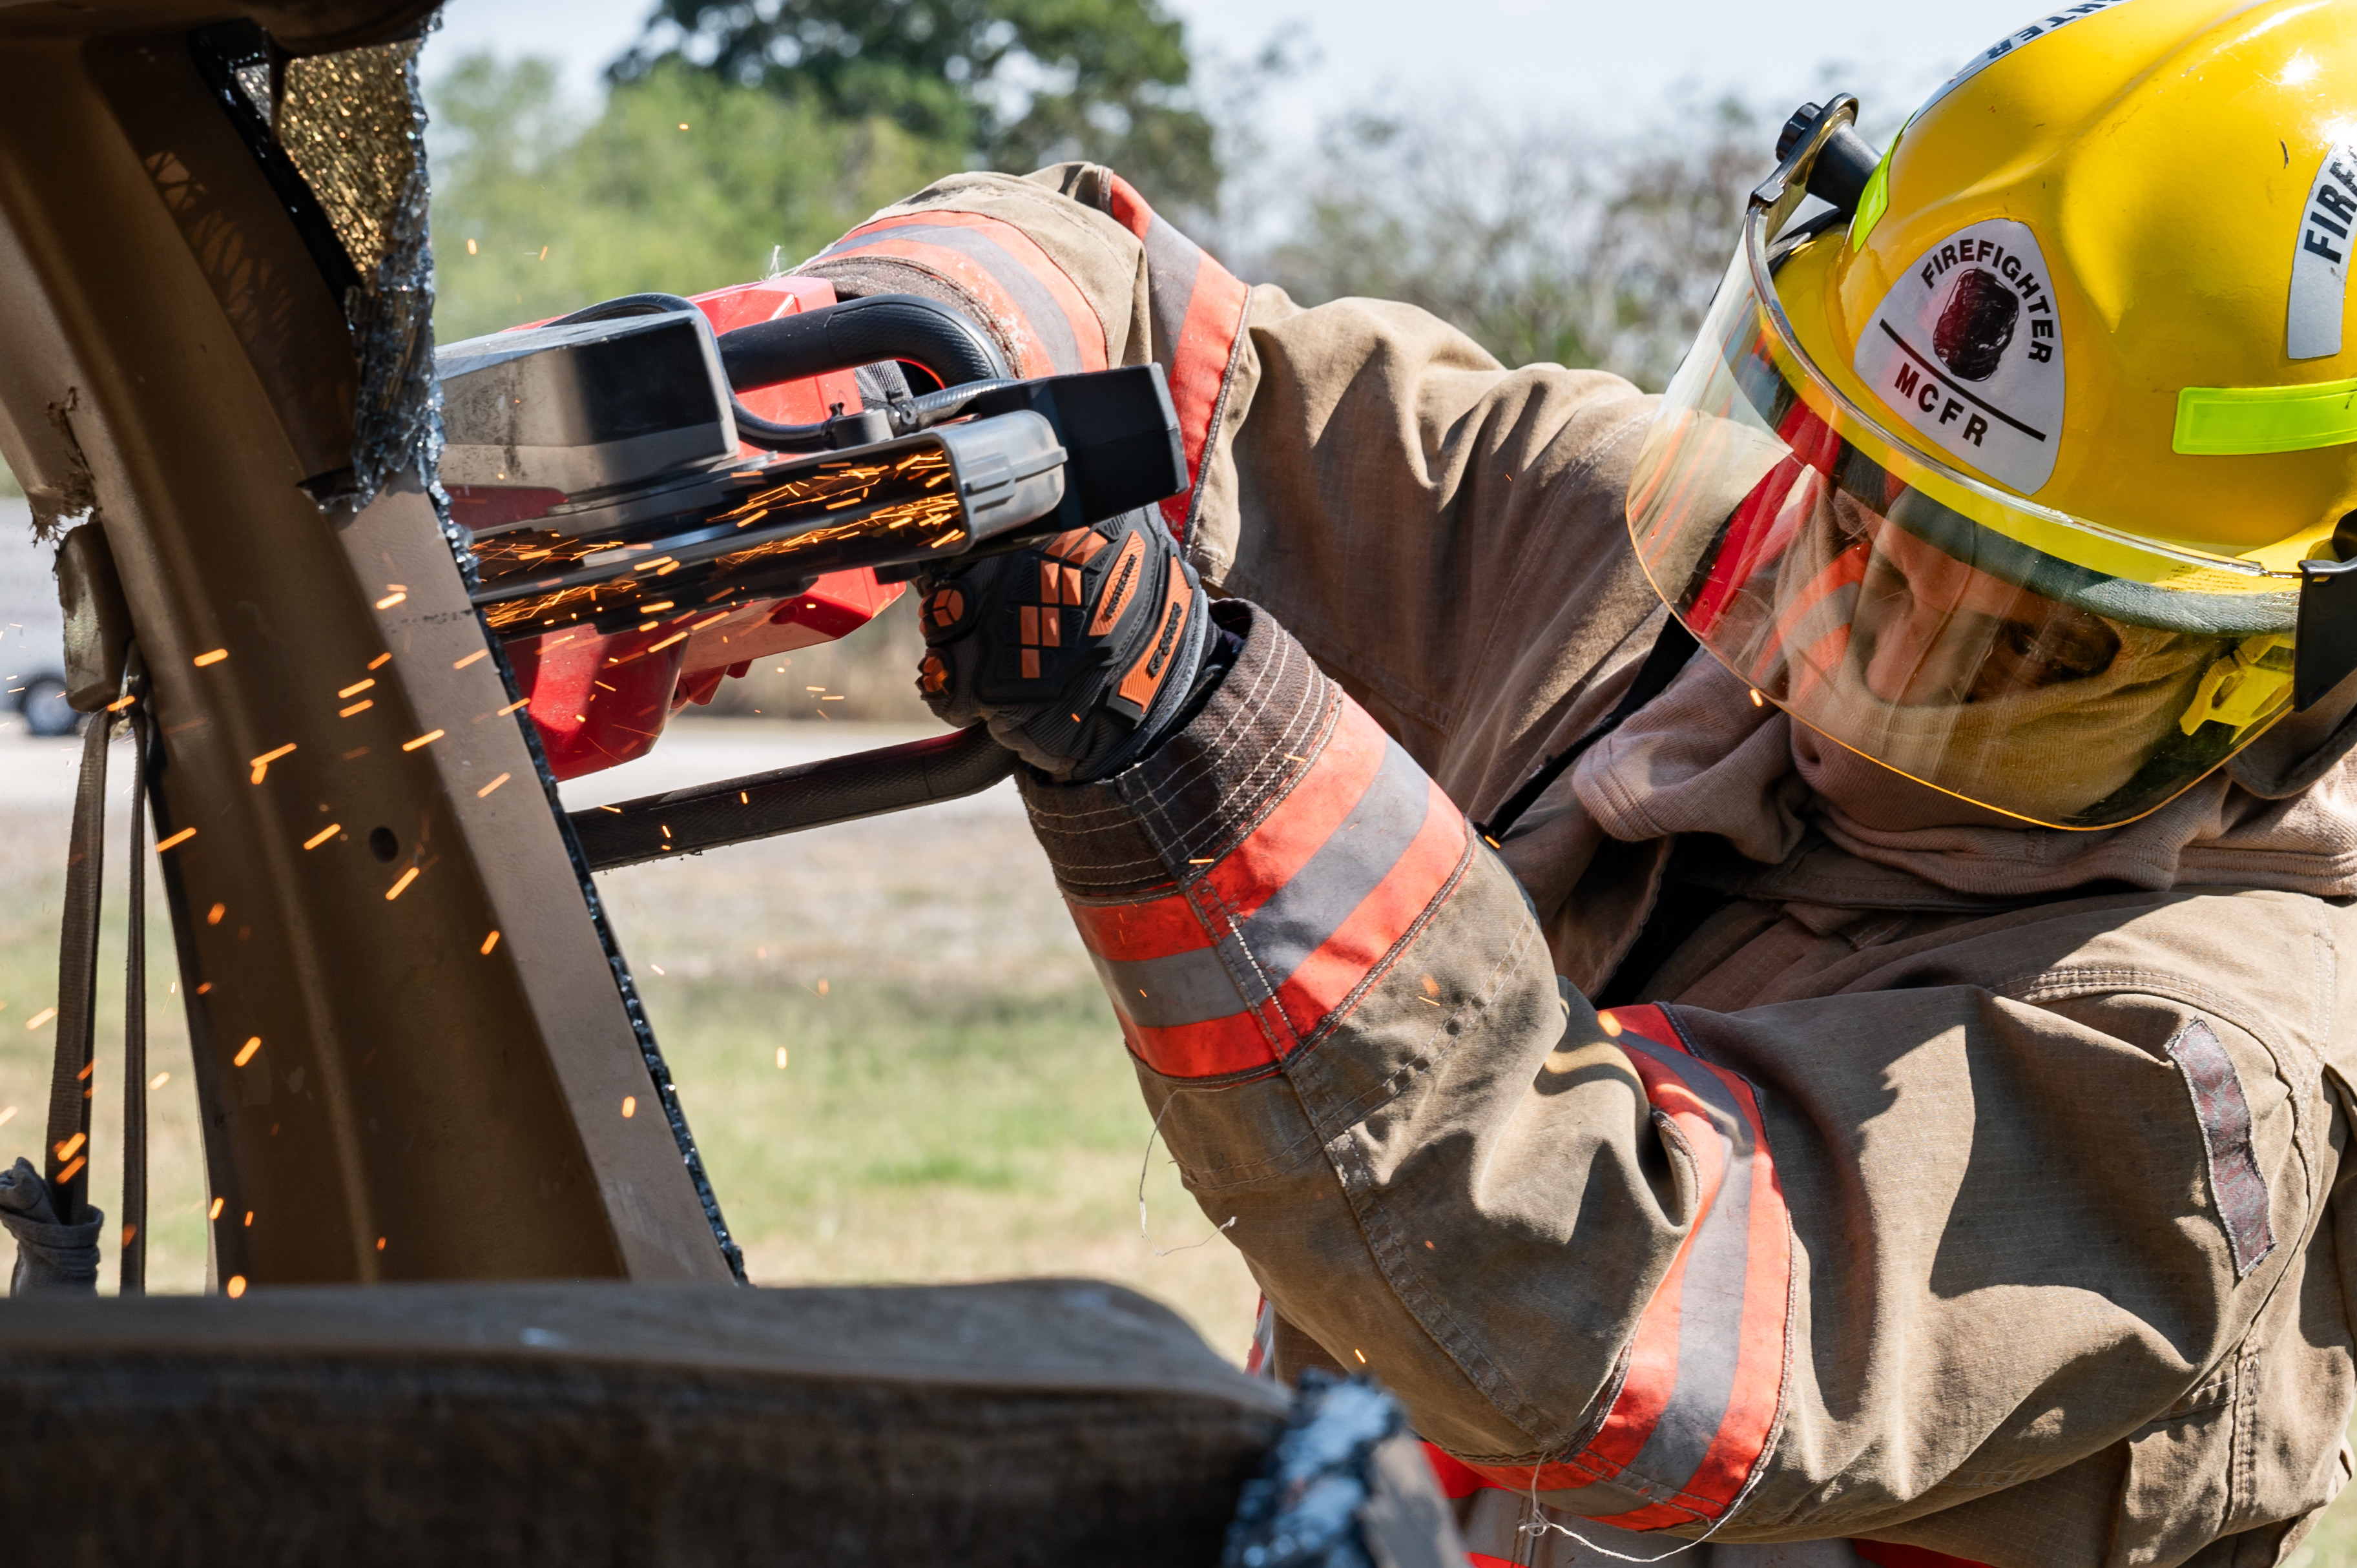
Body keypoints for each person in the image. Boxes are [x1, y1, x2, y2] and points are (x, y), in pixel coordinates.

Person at [802, 2, 2357, 1561]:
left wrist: (1184, 744)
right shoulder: (1700, 568)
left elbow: (1591, 1308)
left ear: (2289, 682)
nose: (1849, 635)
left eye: (2011, 638)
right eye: (1854, 503)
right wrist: (856, 370)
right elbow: (1165, 341)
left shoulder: (2193, 1069)